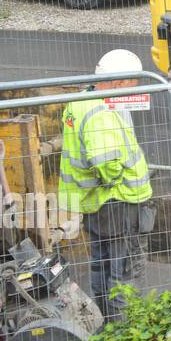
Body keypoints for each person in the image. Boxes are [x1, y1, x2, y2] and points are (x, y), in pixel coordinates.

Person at [59, 49, 153, 320]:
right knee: (125, 271)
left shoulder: (80, 101)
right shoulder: (101, 110)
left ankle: (105, 323)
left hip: (94, 202)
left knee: (100, 265)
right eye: (132, 83)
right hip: (119, 201)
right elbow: (105, 161)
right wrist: (117, 181)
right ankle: (127, 331)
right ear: (119, 82)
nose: (134, 89)